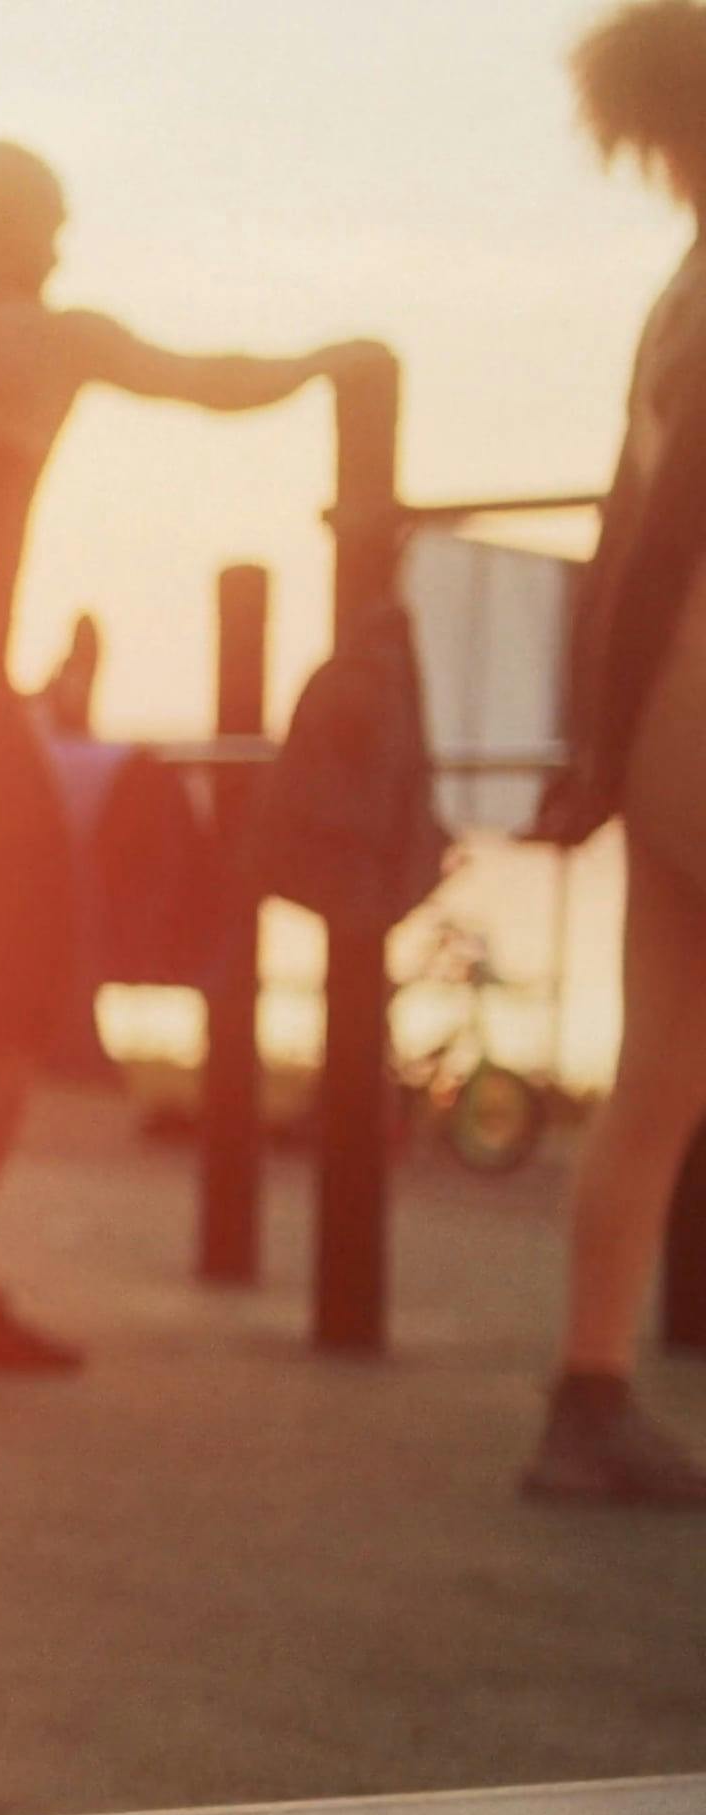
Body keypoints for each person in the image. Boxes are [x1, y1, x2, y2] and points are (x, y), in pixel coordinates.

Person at [0, 142, 384, 1375]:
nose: (61, 251)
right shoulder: (41, 337)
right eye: (52, 226)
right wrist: (337, 364)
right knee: (13, 998)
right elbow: (211, 381)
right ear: (5, 227)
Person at [522, 0, 706, 1506]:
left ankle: (588, 1393)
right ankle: (585, 1404)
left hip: (668, 725)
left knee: (657, 1071)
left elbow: (620, 528)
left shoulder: (679, 289)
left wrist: (599, 740)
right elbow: (658, 540)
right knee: (657, 1071)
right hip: (693, 708)